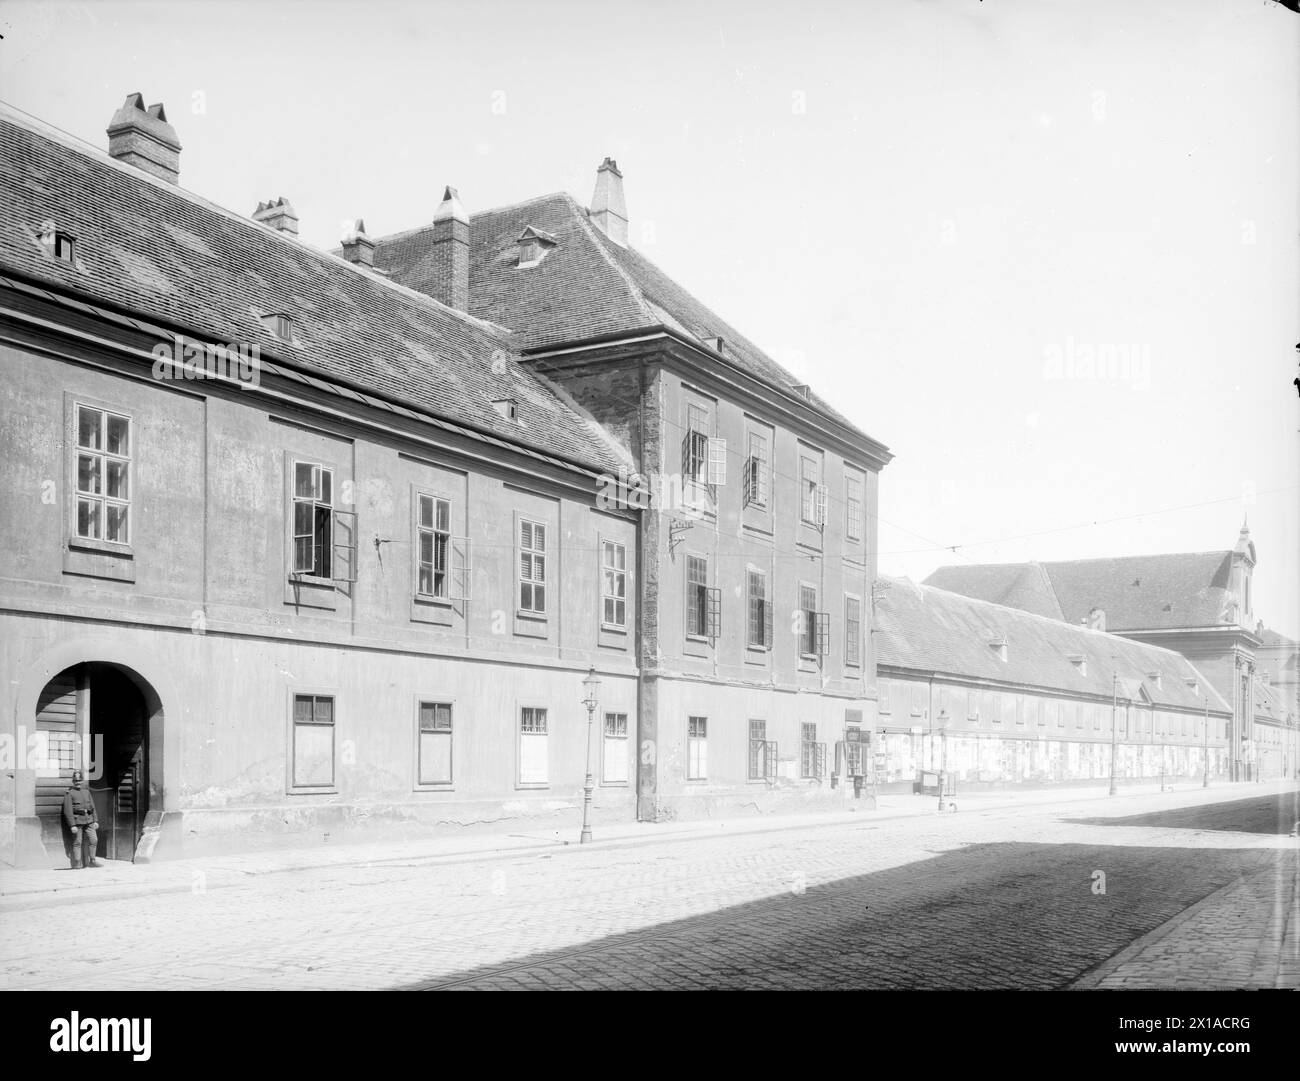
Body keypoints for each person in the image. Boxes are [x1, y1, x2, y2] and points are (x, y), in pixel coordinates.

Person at [61, 770, 99, 869]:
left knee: (94, 839)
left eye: (80, 781)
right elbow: (68, 811)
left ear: (82, 781)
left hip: (89, 820)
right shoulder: (69, 793)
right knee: (77, 842)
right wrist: (72, 825)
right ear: (73, 782)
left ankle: (92, 860)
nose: (78, 783)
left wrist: (95, 820)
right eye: (76, 781)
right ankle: (77, 862)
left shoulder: (86, 792)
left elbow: (93, 807)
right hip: (77, 821)